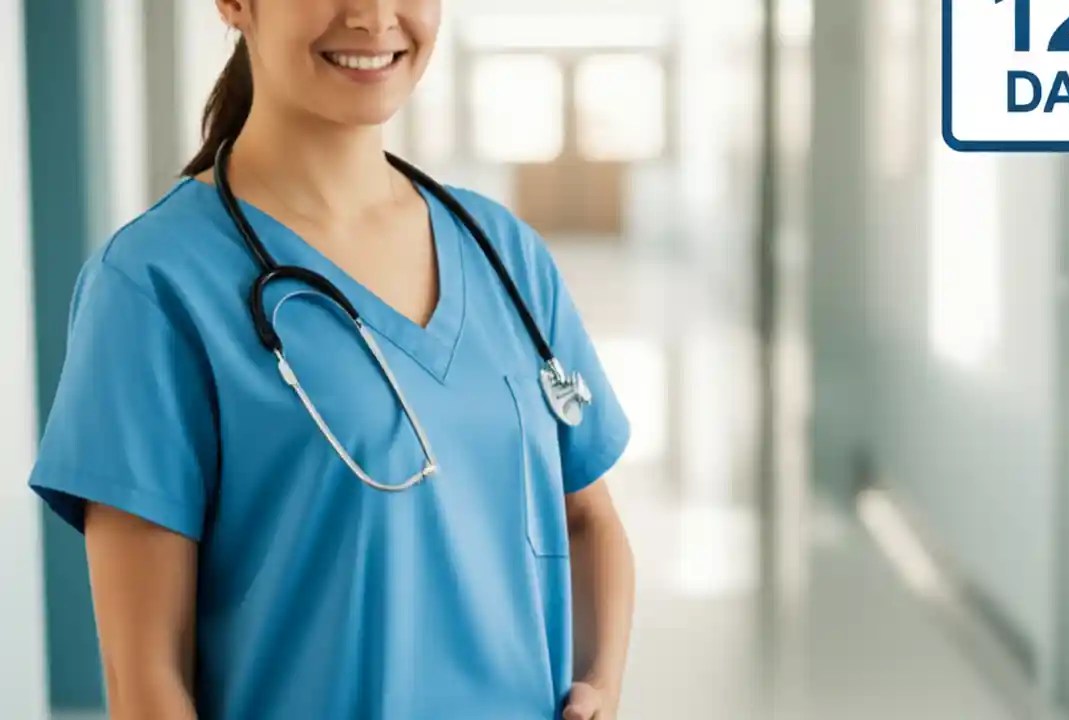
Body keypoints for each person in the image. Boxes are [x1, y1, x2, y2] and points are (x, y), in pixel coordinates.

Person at [27, 1, 636, 718]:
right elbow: (146, 677)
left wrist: (599, 685)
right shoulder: (154, 284)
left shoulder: (502, 251)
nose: (375, 17)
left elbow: (586, 517)